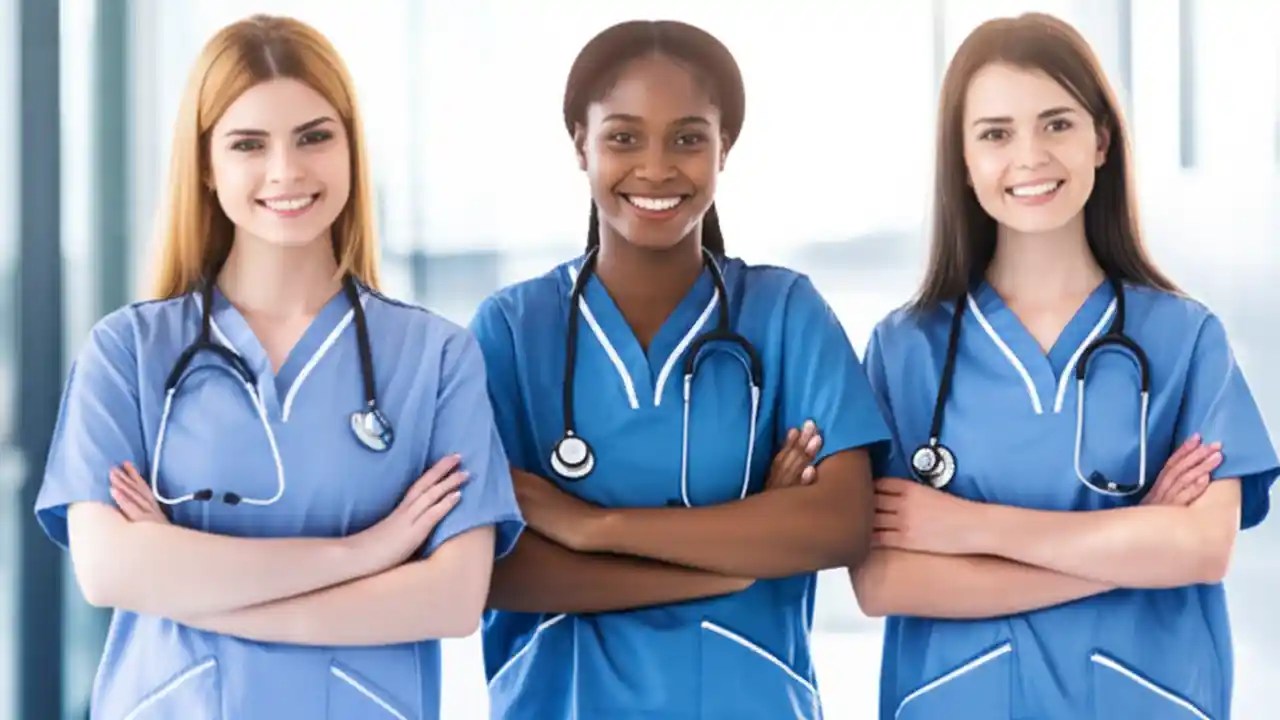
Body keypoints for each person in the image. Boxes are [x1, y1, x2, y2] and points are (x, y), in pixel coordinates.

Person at [33, 15, 521, 720]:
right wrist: (365, 553)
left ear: (352, 146)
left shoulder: (437, 358)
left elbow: (450, 599)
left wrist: (194, 585)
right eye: (248, 144)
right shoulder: (127, 353)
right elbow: (109, 570)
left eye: (314, 137)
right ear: (205, 163)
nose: (286, 171)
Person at [853, 13, 1278, 720]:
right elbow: (884, 581)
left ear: (1101, 140)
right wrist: (1129, 544)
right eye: (995, 133)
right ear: (961, 159)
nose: (1030, 157)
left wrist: (971, 528)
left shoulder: (1183, 338)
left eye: (1057, 124)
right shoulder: (906, 350)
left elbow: (1201, 548)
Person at [469, 19, 890, 720]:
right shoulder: (513, 331)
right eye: (624, 137)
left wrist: (589, 528)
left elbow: (840, 522)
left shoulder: (785, 313)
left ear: (725, 147)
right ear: (581, 143)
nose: (658, 168)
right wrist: (738, 559)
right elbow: (493, 569)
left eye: (689, 138)